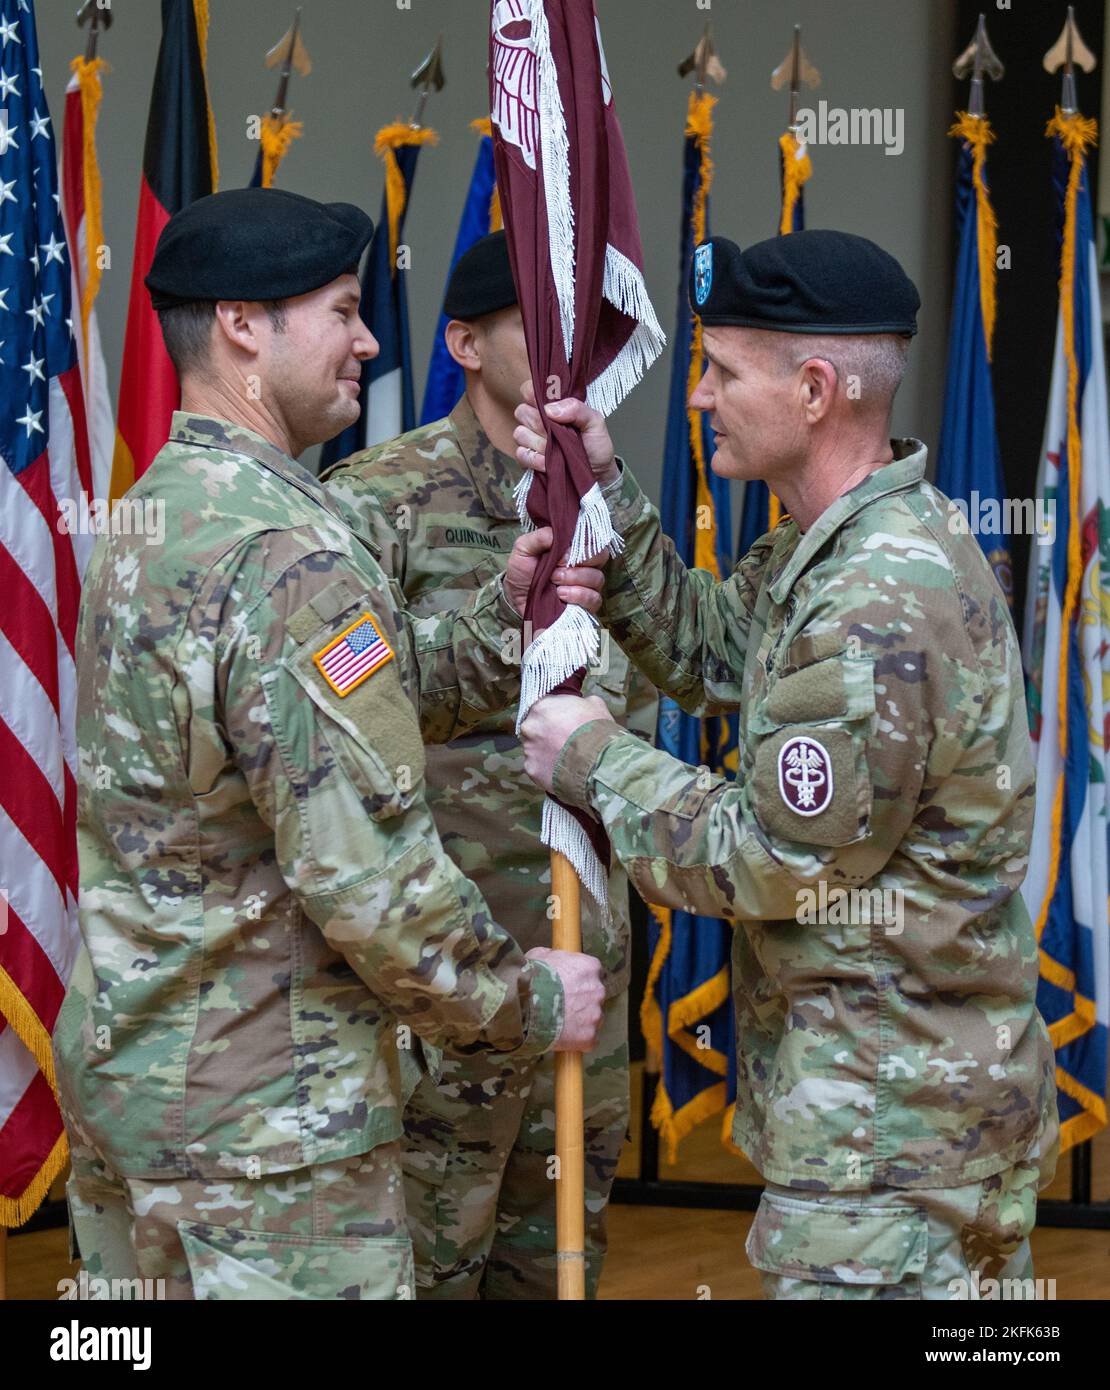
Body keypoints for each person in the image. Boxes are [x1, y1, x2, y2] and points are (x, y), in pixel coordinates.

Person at [53, 188, 607, 1302]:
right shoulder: (289, 554)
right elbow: (368, 871)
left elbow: (309, 728)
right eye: (345, 310)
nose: (368, 340)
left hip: (134, 1088)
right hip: (268, 1137)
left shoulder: (156, 514)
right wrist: (527, 997)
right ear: (245, 326)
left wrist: (508, 626)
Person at [516, 229, 1059, 1301]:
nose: (702, 398)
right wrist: (611, 491)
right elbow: (714, 648)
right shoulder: (837, 546)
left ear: (815, 389)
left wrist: (593, 760)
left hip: (892, 1149)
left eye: (723, 372)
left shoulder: (875, 598)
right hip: (905, 1124)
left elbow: (771, 857)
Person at [322, 230, 657, 1300]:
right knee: (433, 1257)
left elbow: (648, 697)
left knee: (555, 1261)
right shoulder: (377, 497)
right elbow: (346, 718)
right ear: (463, 341)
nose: (573, 349)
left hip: (584, 958)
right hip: (450, 973)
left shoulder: (609, 499)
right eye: (540, 325)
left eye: (586, 326)